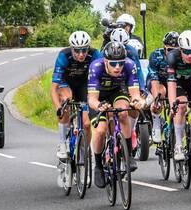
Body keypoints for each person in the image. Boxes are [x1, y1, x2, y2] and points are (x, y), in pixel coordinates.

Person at [87, 38, 145, 187]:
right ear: (105, 61)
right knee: (100, 131)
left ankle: (128, 155)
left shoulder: (130, 65)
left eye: (121, 63)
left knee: (124, 113)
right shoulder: (96, 67)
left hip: (117, 92)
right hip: (99, 97)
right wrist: (99, 105)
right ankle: (98, 166)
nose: (118, 67)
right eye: (113, 64)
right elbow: (92, 99)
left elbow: (135, 94)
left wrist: (138, 101)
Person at [50, 30, 98, 165]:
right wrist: (58, 108)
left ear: (89, 48)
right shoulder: (64, 56)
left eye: (84, 50)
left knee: (87, 124)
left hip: (84, 85)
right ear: (71, 48)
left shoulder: (95, 55)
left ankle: (84, 150)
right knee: (66, 100)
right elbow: (53, 88)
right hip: (66, 83)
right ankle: (62, 143)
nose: (81, 54)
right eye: (77, 51)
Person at [169, 30, 191, 162]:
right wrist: (172, 105)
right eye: (186, 51)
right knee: (181, 106)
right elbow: (171, 83)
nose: (189, 55)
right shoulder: (173, 57)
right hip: (178, 83)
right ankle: (178, 144)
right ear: (180, 49)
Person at [144, 32, 179, 144]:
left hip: (174, 81)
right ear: (164, 48)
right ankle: (156, 122)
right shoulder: (156, 55)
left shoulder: (182, 57)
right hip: (157, 81)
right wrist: (156, 100)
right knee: (161, 92)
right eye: (170, 50)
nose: (172, 54)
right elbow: (154, 78)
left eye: (176, 51)